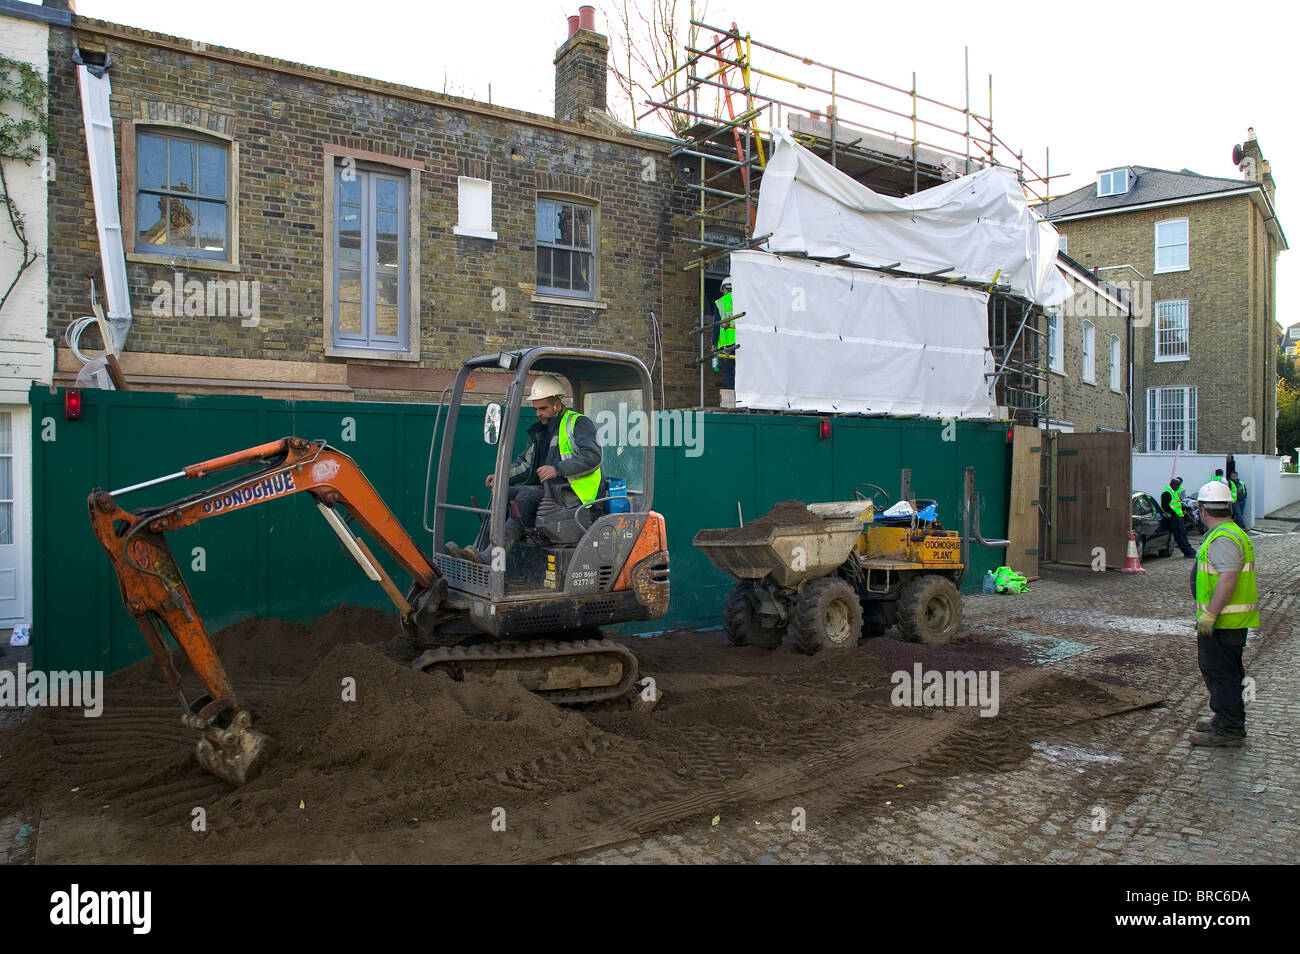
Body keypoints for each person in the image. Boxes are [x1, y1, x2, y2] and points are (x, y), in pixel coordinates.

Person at [452, 374, 602, 564]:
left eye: (543, 408)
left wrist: (557, 469)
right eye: (536, 409)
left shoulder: (578, 423)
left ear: (557, 404)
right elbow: (525, 464)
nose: (538, 413)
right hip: (548, 491)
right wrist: (501, 477)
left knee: (524, 498)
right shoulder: (539, 431)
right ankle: (477, 552)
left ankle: (490, 558)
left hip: (574, 495)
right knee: (501, 492)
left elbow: (593, 456)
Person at [1188, 479, 1258, 746]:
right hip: (1228, 621)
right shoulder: (1232, 533)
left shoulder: (1224, 538)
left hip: (1223, 622)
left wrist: (1211, 615)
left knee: (1221, 673)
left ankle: (1228, 728)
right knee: (1226, 671)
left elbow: (1228, 578)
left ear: (1204, 511)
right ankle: (1226, 719)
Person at [1159, 477, 1196, 558]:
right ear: (1172, 484)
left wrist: (1184, 509)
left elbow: (1176, 504)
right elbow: (1165, 506)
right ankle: (1188, 552)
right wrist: (1174, 514)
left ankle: (1189, 550)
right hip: (1173, 517)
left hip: (1177, 516)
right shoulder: (1167, 492)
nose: (1178, 487)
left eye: (1179, 485)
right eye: (1177, 485)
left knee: (1183, 535)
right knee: (1180, 535)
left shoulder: (1173, 491)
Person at [712, 276, 736, 390]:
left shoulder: (720, 303)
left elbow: (716, 325)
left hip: (726, 343)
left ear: (723, 289)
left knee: (728, 373)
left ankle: (733, 397)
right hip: (742, 341)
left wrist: (714, 342)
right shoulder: (742, 300)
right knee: (742, 372)